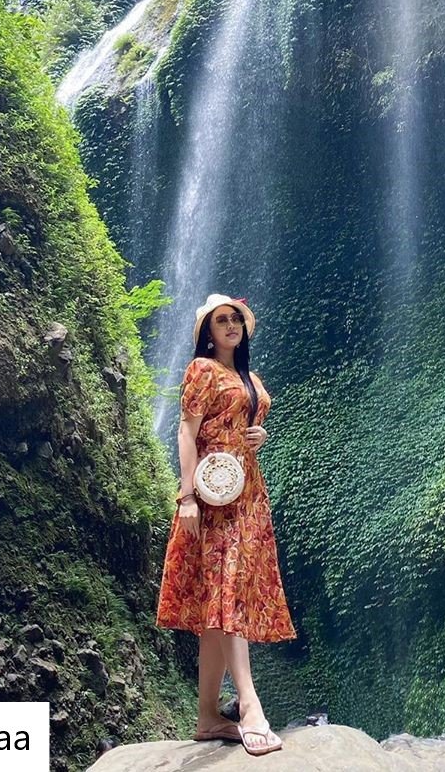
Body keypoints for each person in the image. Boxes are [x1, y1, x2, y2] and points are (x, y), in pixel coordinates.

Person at [156, 292, 295, 756]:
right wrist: (188, 496)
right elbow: (186, 431)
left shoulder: (247, 377)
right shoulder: (202, 370)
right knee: (228, 596)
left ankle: (207, 717)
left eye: (236, 319)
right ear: (207, 332)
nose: (231, 325)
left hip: (249, 494)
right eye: (221, 320)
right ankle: (250, 706)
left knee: (221, 600)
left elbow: (243, 424)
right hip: (213, 499)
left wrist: (258, 434)